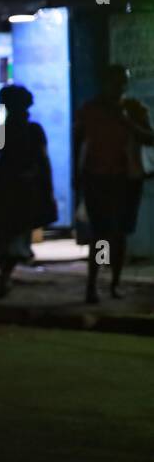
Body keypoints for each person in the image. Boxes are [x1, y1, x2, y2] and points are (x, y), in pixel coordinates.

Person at [0, 85, 56, 298]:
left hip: (3, 189)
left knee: (5, 236)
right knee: (15, 236)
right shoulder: (34, 131)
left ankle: (4, 276)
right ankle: (5, 276)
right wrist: (48, 190)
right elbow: (43, 163)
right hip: (23, 189)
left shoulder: (1, 131)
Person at [74, 65, 154, 302]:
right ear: (105, 83)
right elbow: (78, 142)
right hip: (97, 179)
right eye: (115, 82)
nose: (120, 87)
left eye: (123, 82)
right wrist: (77, 177)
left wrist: (127, 122)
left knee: (119, 235)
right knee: (101, 235)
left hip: (126, 180)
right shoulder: (91, 110)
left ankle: (114, 283)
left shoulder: (134, 109)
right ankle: (94, 284)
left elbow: (150, 138)